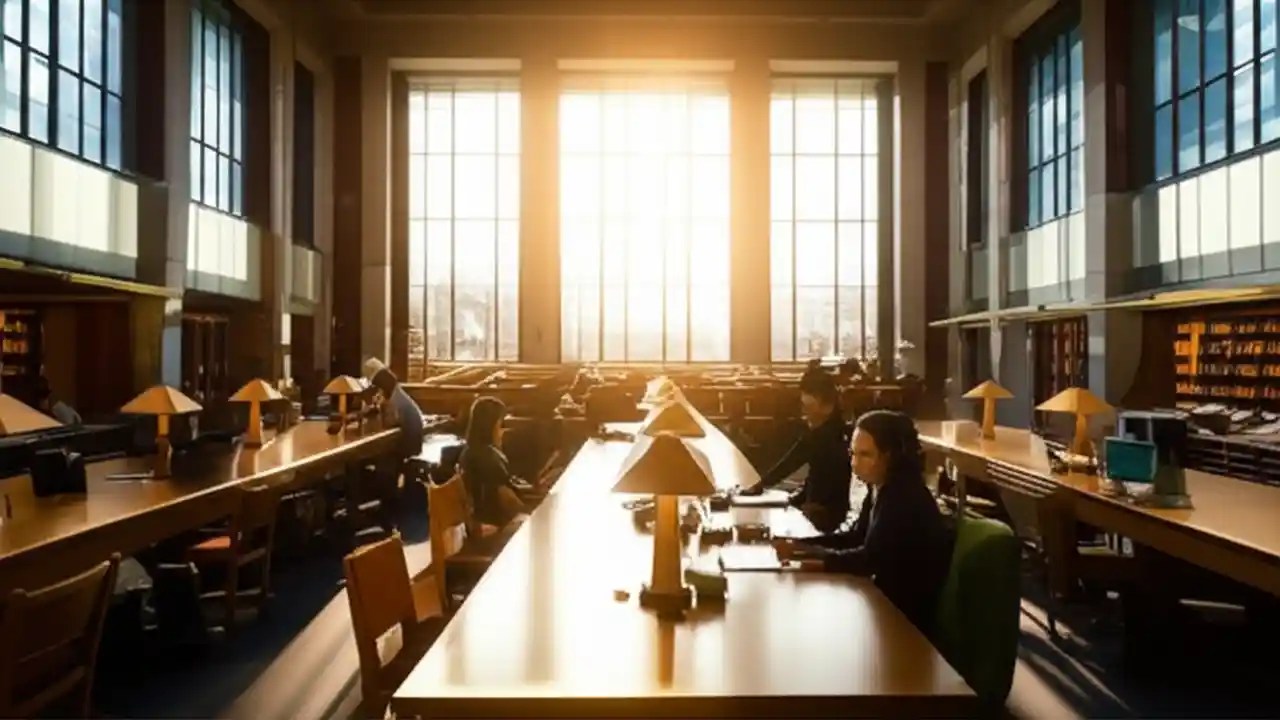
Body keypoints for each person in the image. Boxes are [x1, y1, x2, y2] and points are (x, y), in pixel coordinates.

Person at [775, 410, 954, 637]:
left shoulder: (903, 496)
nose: (854, 463)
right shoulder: (881, 485)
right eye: (853, 454)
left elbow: (869, 559)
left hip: (905, 622)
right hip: (884, 603)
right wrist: (801, 545)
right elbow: (856, 537)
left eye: (865, 455)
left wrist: (817, 559)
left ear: (889, 456)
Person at [740, 368, 851, 532]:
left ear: (826, 405)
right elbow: (810, 472)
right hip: (819, 507)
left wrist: (760, 486)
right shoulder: (828, 430)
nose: (803, 409)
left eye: (807, 403)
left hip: (822, 513)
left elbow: (791, 463)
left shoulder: (826, 435)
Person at [458, 396, 534, 529]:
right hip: (495, 525)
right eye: (501, 425)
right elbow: (509, 503)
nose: (502, 432)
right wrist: (534, 511)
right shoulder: (490, 459)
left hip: (477, 521)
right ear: (491, 426)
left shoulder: (469, 451)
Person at [363, 358, 425, 461]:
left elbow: (389, 423)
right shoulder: (397, 393)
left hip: (408, 445)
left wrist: (379, 408)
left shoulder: (394, 400)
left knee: (373, 456)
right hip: (412, 443)